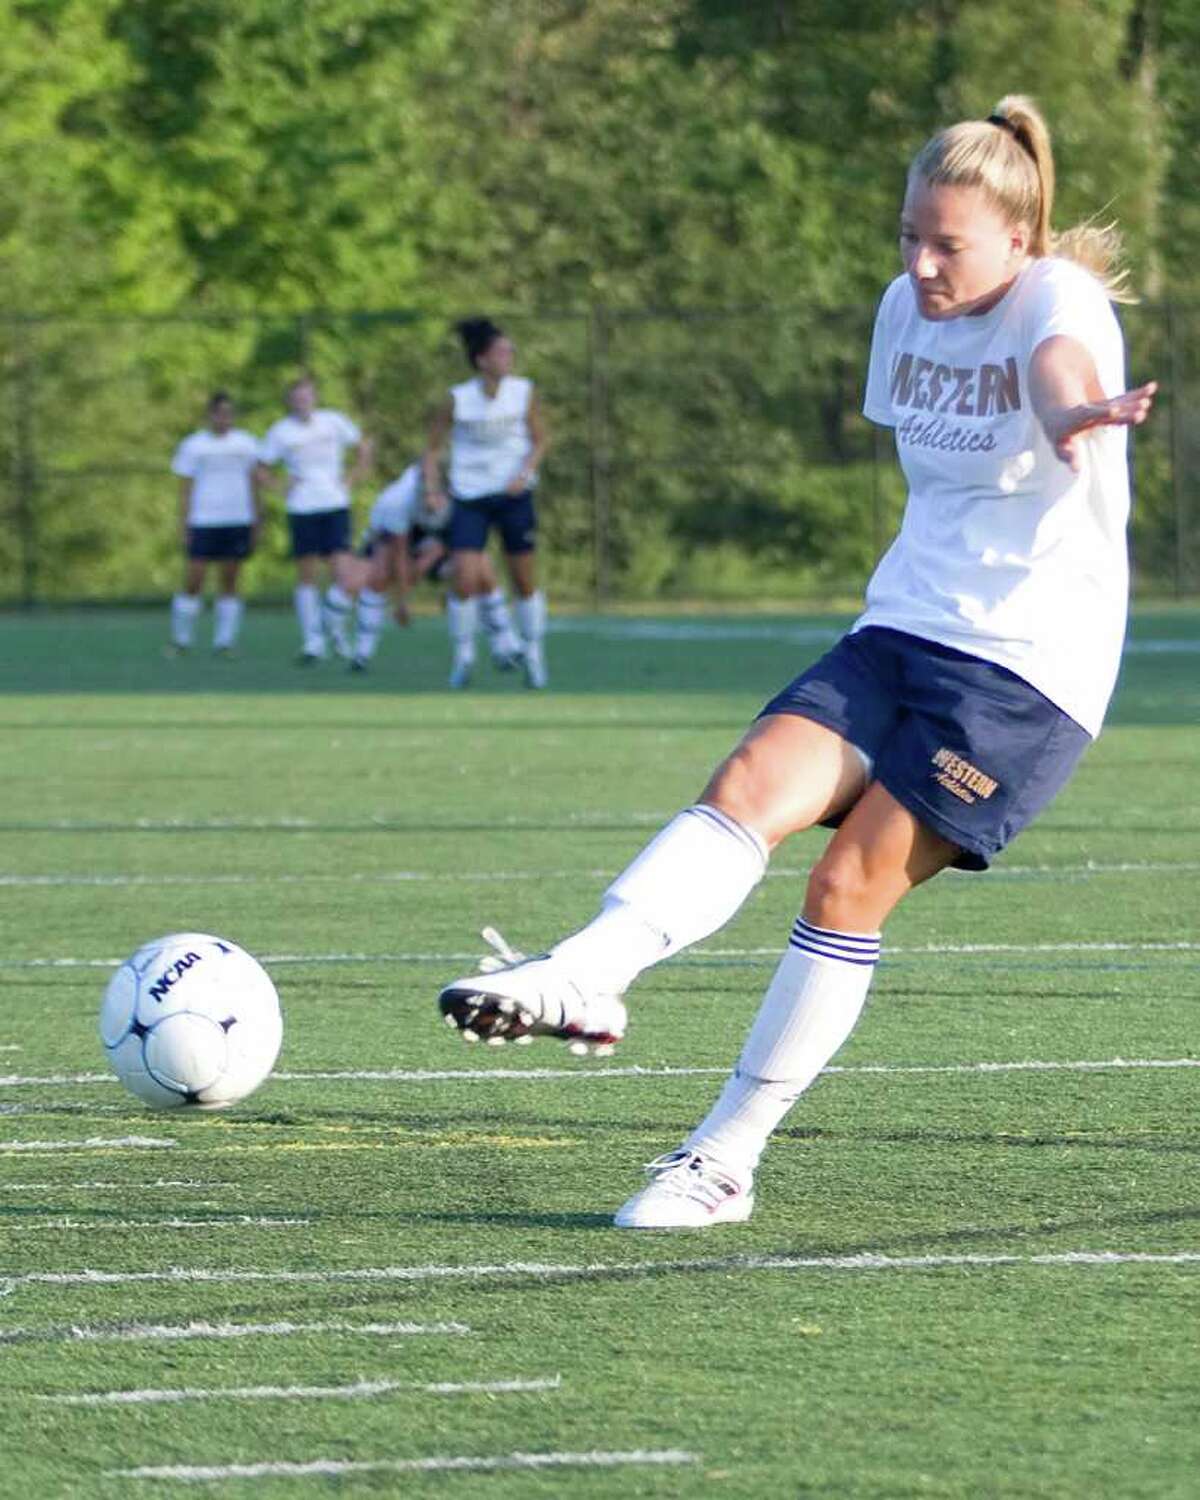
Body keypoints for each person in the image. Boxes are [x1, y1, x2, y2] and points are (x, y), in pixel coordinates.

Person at [433, 96, 1157, 1229]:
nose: (920, 263)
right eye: (908, 236)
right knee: (748, 783)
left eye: (947, 244)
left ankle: (724, 1157)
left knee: (846, 884)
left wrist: (1077, 414)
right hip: (906, 623)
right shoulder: (903, 308)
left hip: (1026, 670)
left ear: (1018, 237)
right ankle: (584, 970)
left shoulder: (1054, 297)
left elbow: (1062, 364)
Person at [423, 318, 550, 689]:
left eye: (510, 350)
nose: (509, 356)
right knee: (463, 577)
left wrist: (524, 473)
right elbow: (431, 448)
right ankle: (463, 656)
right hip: (469, 496)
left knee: (523, 579)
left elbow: (541, 439)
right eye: (501, 351)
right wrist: (432, 489)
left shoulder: (523, 392)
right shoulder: (458, 398)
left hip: (513, 497)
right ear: (481, 360)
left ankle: (533, 653)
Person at [327, 461, 523, 672]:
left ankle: (505, 646)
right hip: (395, 542)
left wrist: (438, 556)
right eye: (425, 494)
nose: (430, 501)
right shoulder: (397, 504)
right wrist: (401, 601)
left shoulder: (465, 495)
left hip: (440, 544)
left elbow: (467, 542)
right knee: (378, 575)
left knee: (481, 566)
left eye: (436, 494)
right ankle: (362, 653)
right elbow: (398, 554)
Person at [256, 376, 373, 663]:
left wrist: (352, 478)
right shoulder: (280, 432)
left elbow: (363, 448)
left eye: (307, 396)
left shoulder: (333, 422)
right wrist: (282, 487)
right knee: (307, 574)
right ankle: (313, 640)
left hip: (334, 504)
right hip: (302, 508)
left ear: (315, 398)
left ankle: (337, 633)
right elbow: (260, 469)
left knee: (343, 574)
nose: (303, 402)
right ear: (290, 402)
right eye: (297, 398)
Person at [166, 392, 261, 656]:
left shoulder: (247, 444)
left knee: (230, 580)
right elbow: (185, 488)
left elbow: (256, 484)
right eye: (219, 413)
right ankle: (181, 639)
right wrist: (184, 524)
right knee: (194, 579)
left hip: (237, 518)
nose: (224, 418)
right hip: (204, 519)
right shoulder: (194, 445)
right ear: (210, 415)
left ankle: (225, 642)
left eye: (229, 413)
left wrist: (257, 519)